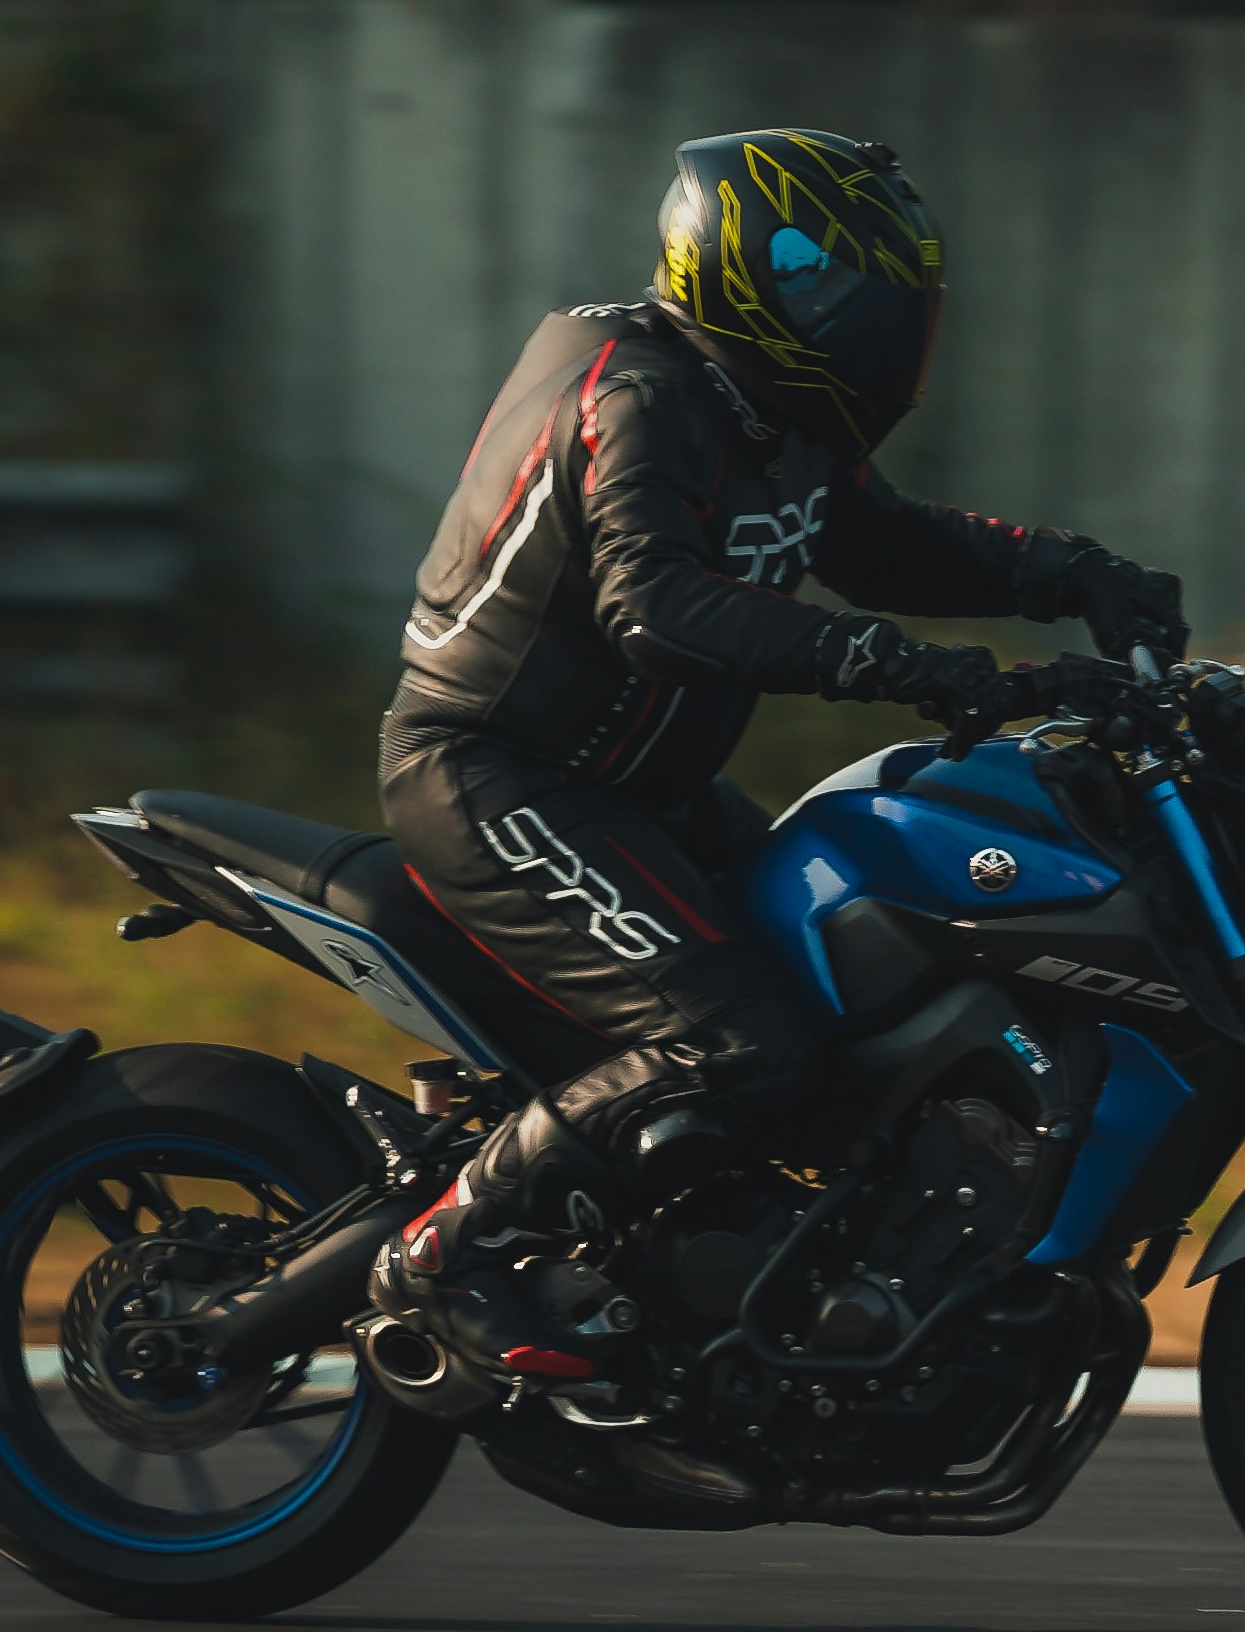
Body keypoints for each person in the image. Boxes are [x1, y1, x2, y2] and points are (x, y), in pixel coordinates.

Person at [371, 126, 1187, 1371]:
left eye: (898, 301)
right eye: (855, 294)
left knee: (842, 1022)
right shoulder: (641, 395)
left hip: (645, 791)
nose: (885, 327)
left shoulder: (771, 411)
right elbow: (656, 607)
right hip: (498, 777)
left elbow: (885, 543)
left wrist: (1076, 574)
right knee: (740, 1042)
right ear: (758, 275)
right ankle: (444, 1254)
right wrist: (906, 666)